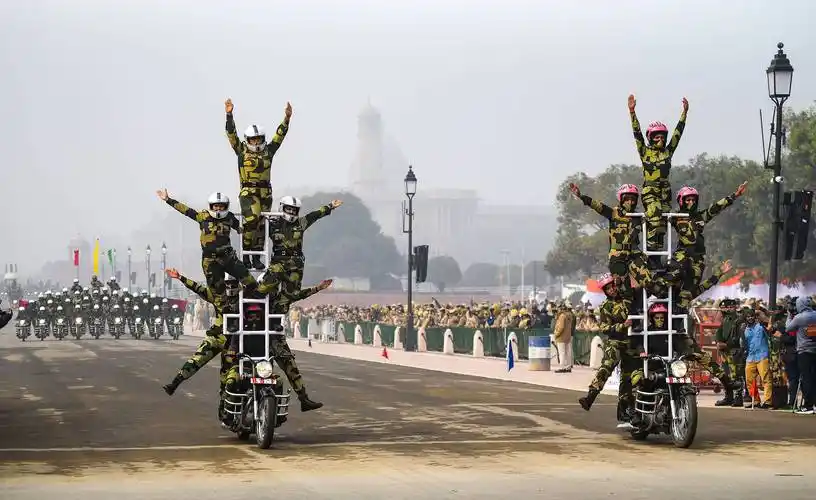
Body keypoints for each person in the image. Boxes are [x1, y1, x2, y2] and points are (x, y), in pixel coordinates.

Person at [224, 98, 292, 270]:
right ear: (248, 140)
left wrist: (286, 119)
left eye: (258, 139)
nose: (255, 143)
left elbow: (280, 136)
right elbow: (231, 135)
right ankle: (246, 254)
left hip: (265, 193)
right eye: (252, 140)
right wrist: (229, 115)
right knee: (251, 220)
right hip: (248, 192)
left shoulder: (268, 151)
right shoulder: (241, 151)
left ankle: (256, 257)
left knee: (262, 225)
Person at [156, 188, 259, 296]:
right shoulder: (203, 216)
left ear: (226, 206)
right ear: (211, 206)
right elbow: (186, 211)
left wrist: (252, 221)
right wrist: (168, 200)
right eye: (216, 206)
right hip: (210, 261)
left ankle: (249, 299)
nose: (218, 209)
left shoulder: (230, 217)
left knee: (251, 282)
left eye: (221, 206)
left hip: (228, 257)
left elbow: (242, 229)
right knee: (217, 294)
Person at [568, 182, 663, 289]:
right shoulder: (613, 213)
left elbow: (655, 226)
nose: (630, 202)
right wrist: (581, 196)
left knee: (650, 283)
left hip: (634, 254)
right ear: (621, 199)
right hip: (617, 255)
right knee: (623, 289)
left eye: (633, 199)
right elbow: (596, 205)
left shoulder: (638, 217)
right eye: (627, 199)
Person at [628, 94, 688, 260]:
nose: (660, 139)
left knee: (662, 223)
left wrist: (684, 114)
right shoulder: (644, 152)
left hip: (665, 192)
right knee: (654, 212)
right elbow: (637, 133)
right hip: (650, 191)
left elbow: (678, 133)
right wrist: (632, 112)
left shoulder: (668, 151)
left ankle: (656, 258)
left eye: (662, 136)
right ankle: (650, 254)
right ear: (651, 138)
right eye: (657, 136)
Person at [666, 182, 747, 289]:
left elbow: (716, 207)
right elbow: (660, 222)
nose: (691, 202)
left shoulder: (701, 216)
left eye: (693, 200)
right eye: (688, 200)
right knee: (674, 275)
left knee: (691, 289)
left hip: (698, 257)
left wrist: (735, 195)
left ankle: (682, 302)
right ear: (682, 201)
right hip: (682, 254)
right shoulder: (676, 216)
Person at [261, 196, 343, 300]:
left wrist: (330, 206)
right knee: (264, 288)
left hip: (296, 263)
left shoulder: (301, 222)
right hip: (278, 261)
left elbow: (315, 215)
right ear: (282, 207)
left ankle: (278, 310)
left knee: (292, 295)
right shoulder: (272, 224)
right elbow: (257, 231)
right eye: (288, 209)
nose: (291, 212)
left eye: (294, 210)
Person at [784, 296, 816, 414]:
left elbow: (788, 328)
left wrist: (788, 316)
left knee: (806, 378)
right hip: (815, 350)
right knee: (814, 378)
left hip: (804, 351)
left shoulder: (799, 317)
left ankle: (808, 406)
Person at [714, 299, 746, 407]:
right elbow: (719, 332)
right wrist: (718, 342)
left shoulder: (739, 320)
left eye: (731, 307)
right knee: (725, 375)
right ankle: (728, 397)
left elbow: (740, 338)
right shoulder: (726, 319)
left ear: (735, 307)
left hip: (734, 351)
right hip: (725, 353)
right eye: (727, 307)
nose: (728, 309)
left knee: (736, 376)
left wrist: (726, 345)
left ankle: (738, 398)